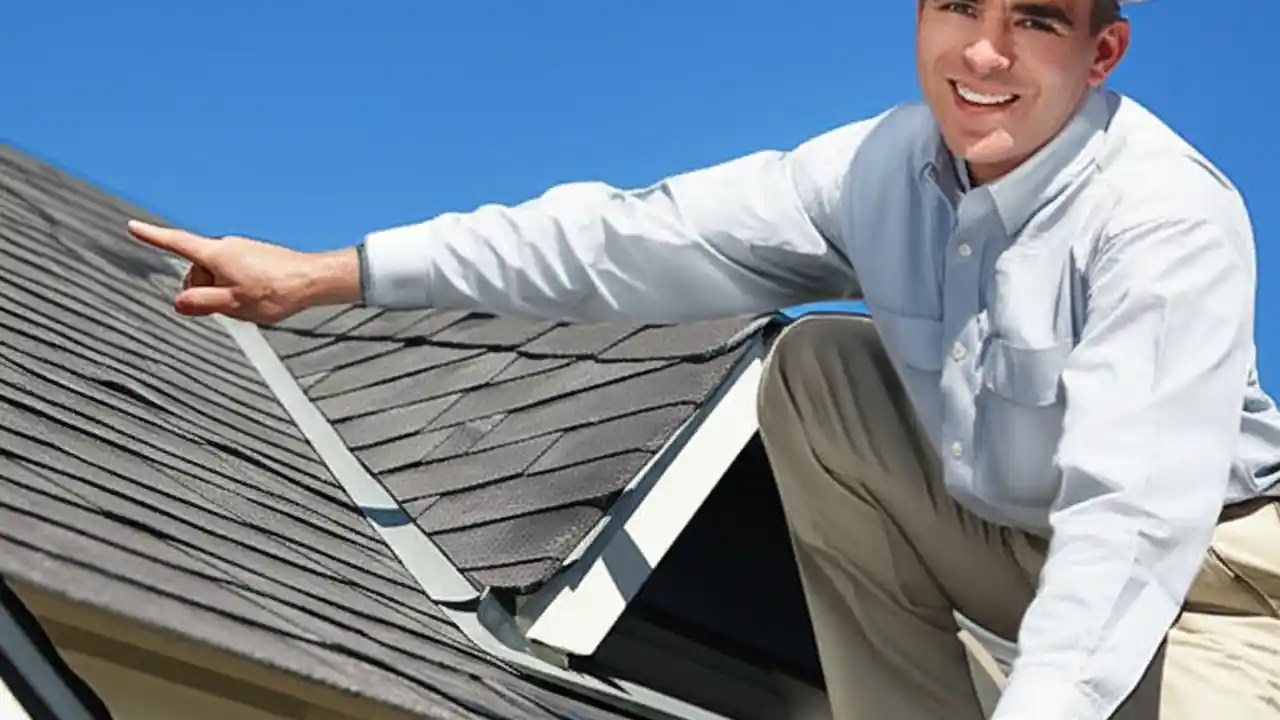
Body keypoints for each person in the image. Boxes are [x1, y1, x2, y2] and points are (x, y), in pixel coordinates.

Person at [127, 1, 1280, 718]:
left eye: (1033, 17)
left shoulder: (1159, 219)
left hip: (1220, 588)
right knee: (825, 375)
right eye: (953, 6)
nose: (982, 51)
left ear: (1100, 51)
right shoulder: (874, 173)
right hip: (1020, 545)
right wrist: (330, 274)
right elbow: (628, 236)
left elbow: (1128, 529)